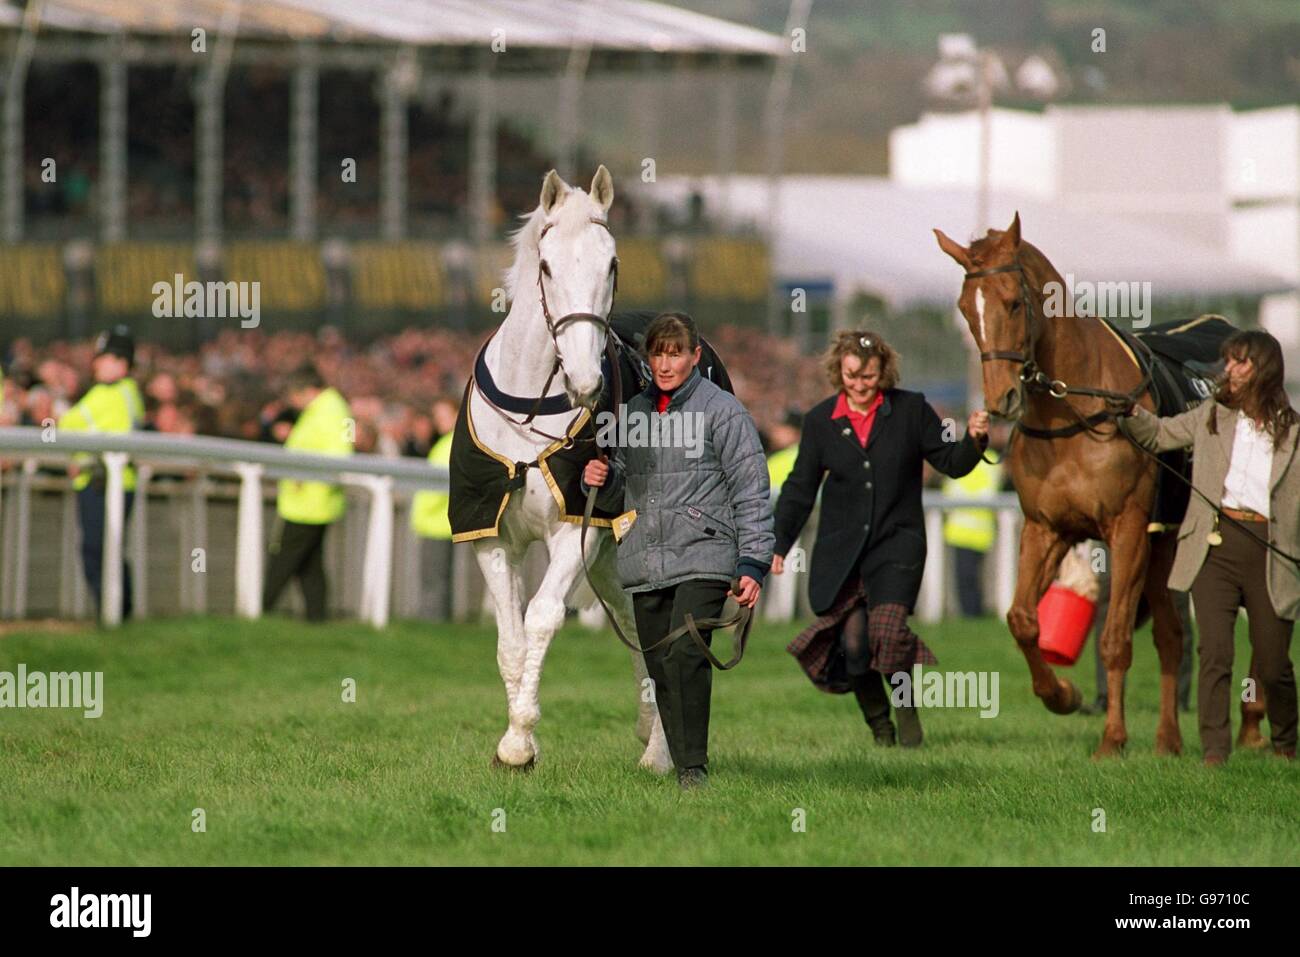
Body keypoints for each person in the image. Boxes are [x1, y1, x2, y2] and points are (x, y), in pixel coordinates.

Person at [582, 312, 774, 789]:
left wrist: (752, 563)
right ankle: (679, 759)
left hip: (705, 554)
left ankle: (694, 768)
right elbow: (622, 491)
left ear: (695, 356)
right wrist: (601, 483)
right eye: (658, 354)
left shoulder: (723, 410)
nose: (665, 364)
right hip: (645, 557)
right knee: (659, 664)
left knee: (687, 653)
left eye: (675, 353)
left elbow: (751, 488)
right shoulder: (636, 414)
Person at [773, 331, 988, 747]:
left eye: (868, 376)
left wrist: (975, 440)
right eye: (851, 375)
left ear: (883, 372)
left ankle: (906, 711)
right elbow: (799, 488)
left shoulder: (911, 410)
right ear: (839, 370)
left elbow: (951, 462)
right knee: (855, 646)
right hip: (842, 552)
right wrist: (779, 544)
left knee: (887, 634)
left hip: (897, 545)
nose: (859, 383)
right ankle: (880, 727)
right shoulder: (820, 421)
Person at [1119, 329, 1299, 764]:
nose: (1229, 371)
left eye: (1241, 363)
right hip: (1215, 546)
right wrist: (1127, 412)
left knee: (1273, 664)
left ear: (1266, 370)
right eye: (1228, 361)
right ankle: (1215, 754)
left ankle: (1286, 744)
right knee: (1214, 653)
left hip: (1272, 552)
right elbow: (1160, 435)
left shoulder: (1293, 432)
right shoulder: (1211, 416)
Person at [57, 326, 144, 619]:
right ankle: (119, 615)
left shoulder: (108, 394)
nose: (97, 364)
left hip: (100, 483)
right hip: (115, 481)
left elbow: (66, 425)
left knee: (97, 552)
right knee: (109, 551)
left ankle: (115, 615)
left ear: (121, 363)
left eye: (103, 358)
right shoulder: (128, 393)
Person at [263, 363, 354, 622]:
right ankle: (316, 618)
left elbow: (339, 456)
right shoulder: (324, 409)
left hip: (309, 503)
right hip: (310, 501)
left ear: (305, 390)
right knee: (309, 565)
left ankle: (260, 609)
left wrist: (306, 479)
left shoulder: (330, 410)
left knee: (283, 559)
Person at [410, 397, 458, 619]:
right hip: (435, 521)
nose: (438, 421)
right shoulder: (445, 441)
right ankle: (434, 620)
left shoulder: (451, 442)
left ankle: (433, 621)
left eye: (443, 415)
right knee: (434, 579)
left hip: (437, 522)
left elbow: (440, 485)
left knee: (434, 580)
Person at [941, 456, 1001, 617]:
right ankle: (973, 613)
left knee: (967, 579)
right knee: (971, 578)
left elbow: (950, 492)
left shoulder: (985, 459)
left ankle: (972, 614)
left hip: (965, 531)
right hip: (974, 532)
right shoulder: (991, 459)